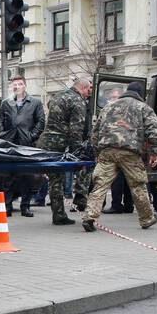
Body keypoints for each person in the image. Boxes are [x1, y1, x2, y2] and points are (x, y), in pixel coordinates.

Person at [81, 81, 157, 232]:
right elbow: (155, 131)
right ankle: (146, 218)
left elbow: (95, 132)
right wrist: (155, 152)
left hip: (107, 151)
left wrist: (97, 152)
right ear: (140, 94)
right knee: (138, 185)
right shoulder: (144, 108)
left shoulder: (108, 107)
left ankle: (89, 217)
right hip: (130, 153)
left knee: (100, 185)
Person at [42, 76, 92, 226]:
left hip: (48, 142)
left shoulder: (58, 95)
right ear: (82, 88)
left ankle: (58, 214)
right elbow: (76, 129)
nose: (90, 92)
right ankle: (80, 195)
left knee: (55, 180)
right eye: (89, 89)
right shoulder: (78, 101)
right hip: (63, 142)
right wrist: (78, 150)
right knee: (86, 164)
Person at [0, 76, 44, 217]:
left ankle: (25, 206)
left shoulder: (35, 102)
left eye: (20, 84)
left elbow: (40, 122)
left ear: (25, 86)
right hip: (9, 144)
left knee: (27, 177)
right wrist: (3, 135)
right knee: (8, 177)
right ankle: (7, 206)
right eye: (14, 84)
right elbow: (0, 121)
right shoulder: (6, 103)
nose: (17, 86)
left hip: (27, 145)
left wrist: (31, 136)